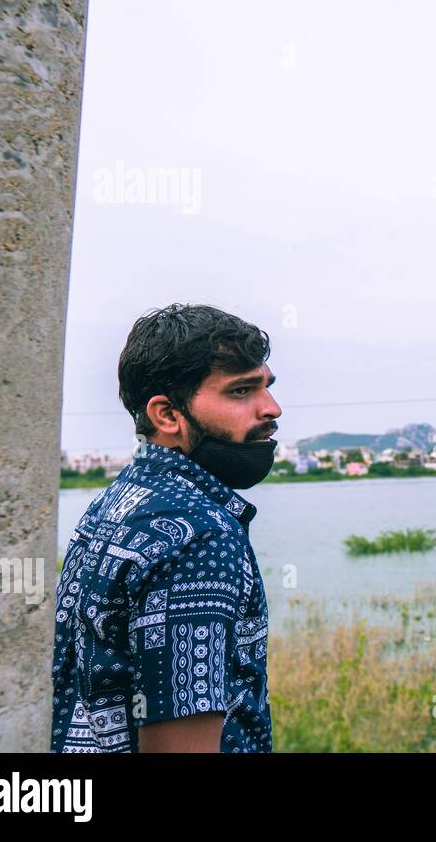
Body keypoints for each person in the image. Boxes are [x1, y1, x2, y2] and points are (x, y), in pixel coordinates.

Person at [51, 304, 281, 752]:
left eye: (267, 388)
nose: (271, 408)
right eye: (241, 392)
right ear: (167, 415)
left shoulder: (118, 500)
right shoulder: (198, 533)